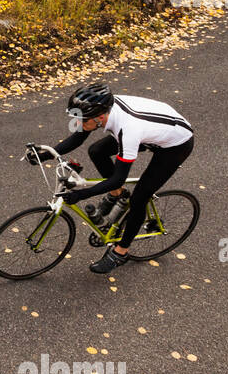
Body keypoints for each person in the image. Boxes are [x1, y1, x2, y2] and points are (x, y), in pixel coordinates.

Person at [30, 83, 194, 274]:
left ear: (100, 117)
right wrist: (45, 155)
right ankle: (118, 196)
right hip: (153, 129)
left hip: (175, 145)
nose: (78, 123)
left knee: (140, 197)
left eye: (81, 119)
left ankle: (121, 252)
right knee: (96, 151)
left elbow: (117, 177)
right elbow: (78, 138)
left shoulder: (128, 129)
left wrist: (82, 195)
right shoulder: (101, 109)